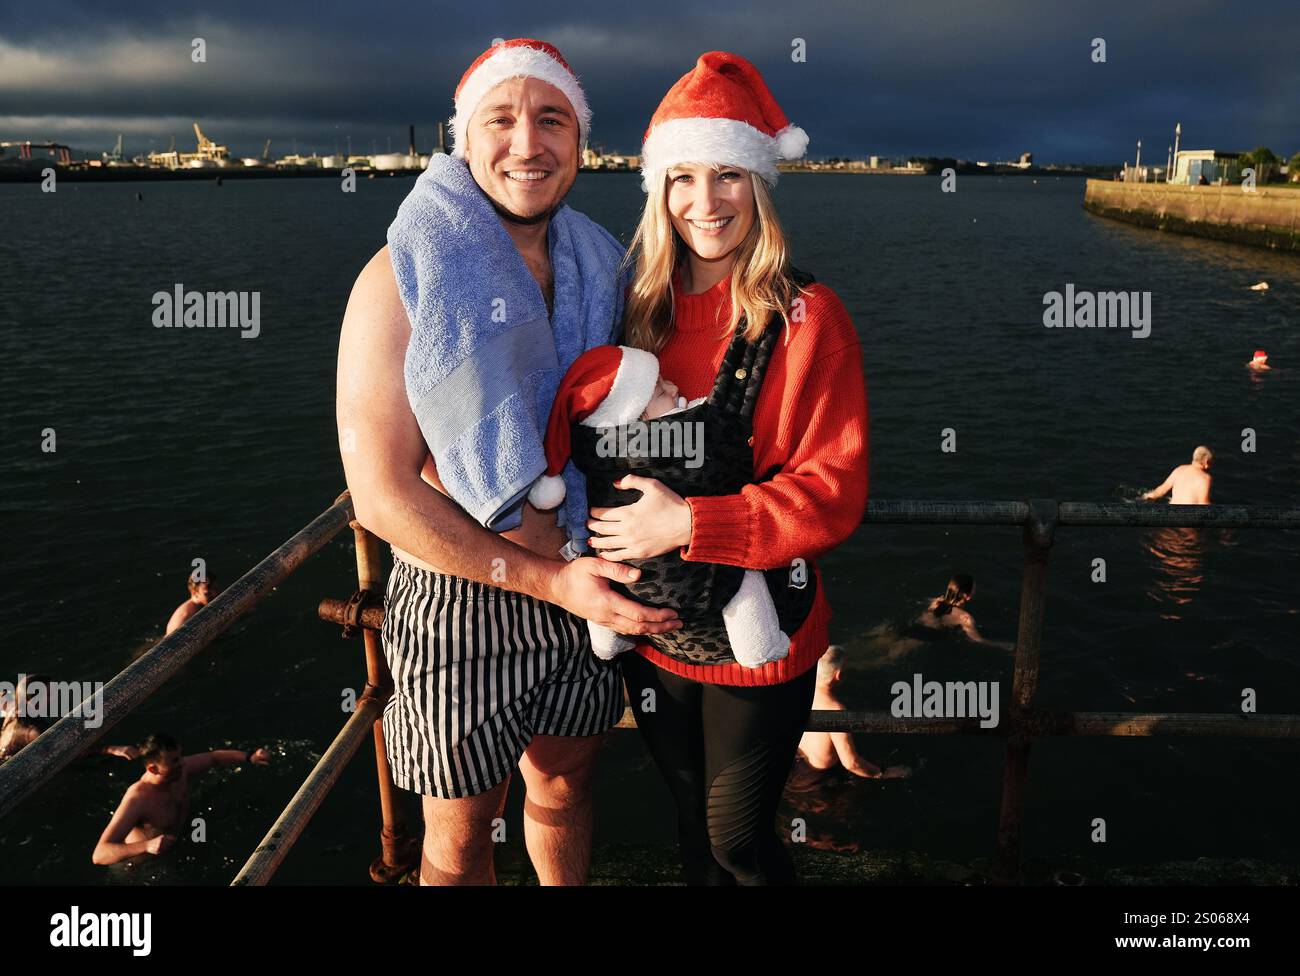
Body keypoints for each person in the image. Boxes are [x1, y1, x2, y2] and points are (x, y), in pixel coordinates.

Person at [336, 38, 680, 886]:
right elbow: (378, 493)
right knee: (458, 841)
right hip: (464, 594)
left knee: (563, 788)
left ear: (580, 142)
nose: (527, 143)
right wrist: (544, 581)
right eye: (502, 118)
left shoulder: (607, 267)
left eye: (552, 119)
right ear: (463, 138)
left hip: (587, 572)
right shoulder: (399, 280)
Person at [595, 51, 869, 885]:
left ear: (759, 184)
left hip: (762, 640)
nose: (704, 202)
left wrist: (691, 522)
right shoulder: (635, 307)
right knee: (689, 829)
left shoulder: (806, 316)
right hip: (654, 628)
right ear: (658, 189)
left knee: (735, 841)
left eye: (727, 176)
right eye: (681, 177)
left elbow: (835, 490)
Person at [528, 344, 800, 668]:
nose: (674, 388)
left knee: (607, 564)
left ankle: (606, 641)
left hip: (633, 594)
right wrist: (694, 523)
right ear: (633, 416)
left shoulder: (596, 452)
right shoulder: (688, 431)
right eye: (659, 390)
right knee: (744, 578)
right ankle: (758, 646)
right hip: (707, 577)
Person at [92, 733, 270, 866]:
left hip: (180, 841)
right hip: (143, 865)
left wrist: (249, 757)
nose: (182, 763)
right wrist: (146, 846)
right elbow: (99, 854)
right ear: (153, 769)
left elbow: (213, 757)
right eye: (174, 761)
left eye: (180, 757)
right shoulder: (138, 798)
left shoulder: (180, 771)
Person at [796, 647, 910, 780]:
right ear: (838, 675)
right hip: (819, 779)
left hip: (798, 765)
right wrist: (883, 773)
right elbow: (851, 763)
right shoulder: (834, 711)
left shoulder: (799, 691)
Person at [0, 673, 137, 762]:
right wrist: (111, 749)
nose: (56, 696)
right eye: (49, 695)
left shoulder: (14, 708)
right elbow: (67, 752)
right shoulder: (34, 731)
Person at [911, 574, 1013, 649]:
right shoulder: (965, 618)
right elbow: (978, 641)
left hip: (912, 630)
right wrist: (1006, 646)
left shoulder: (936, 601)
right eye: (974, 590)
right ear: (967, 596)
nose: (975, 591)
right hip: (925, 639)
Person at [1141, 446, 1213, 504]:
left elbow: (1160, 491)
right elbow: (1203, 505)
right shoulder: (1205, 478)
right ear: (1206, 461)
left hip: (1172, 513)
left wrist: (1145, 497)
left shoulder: (1179, 469)